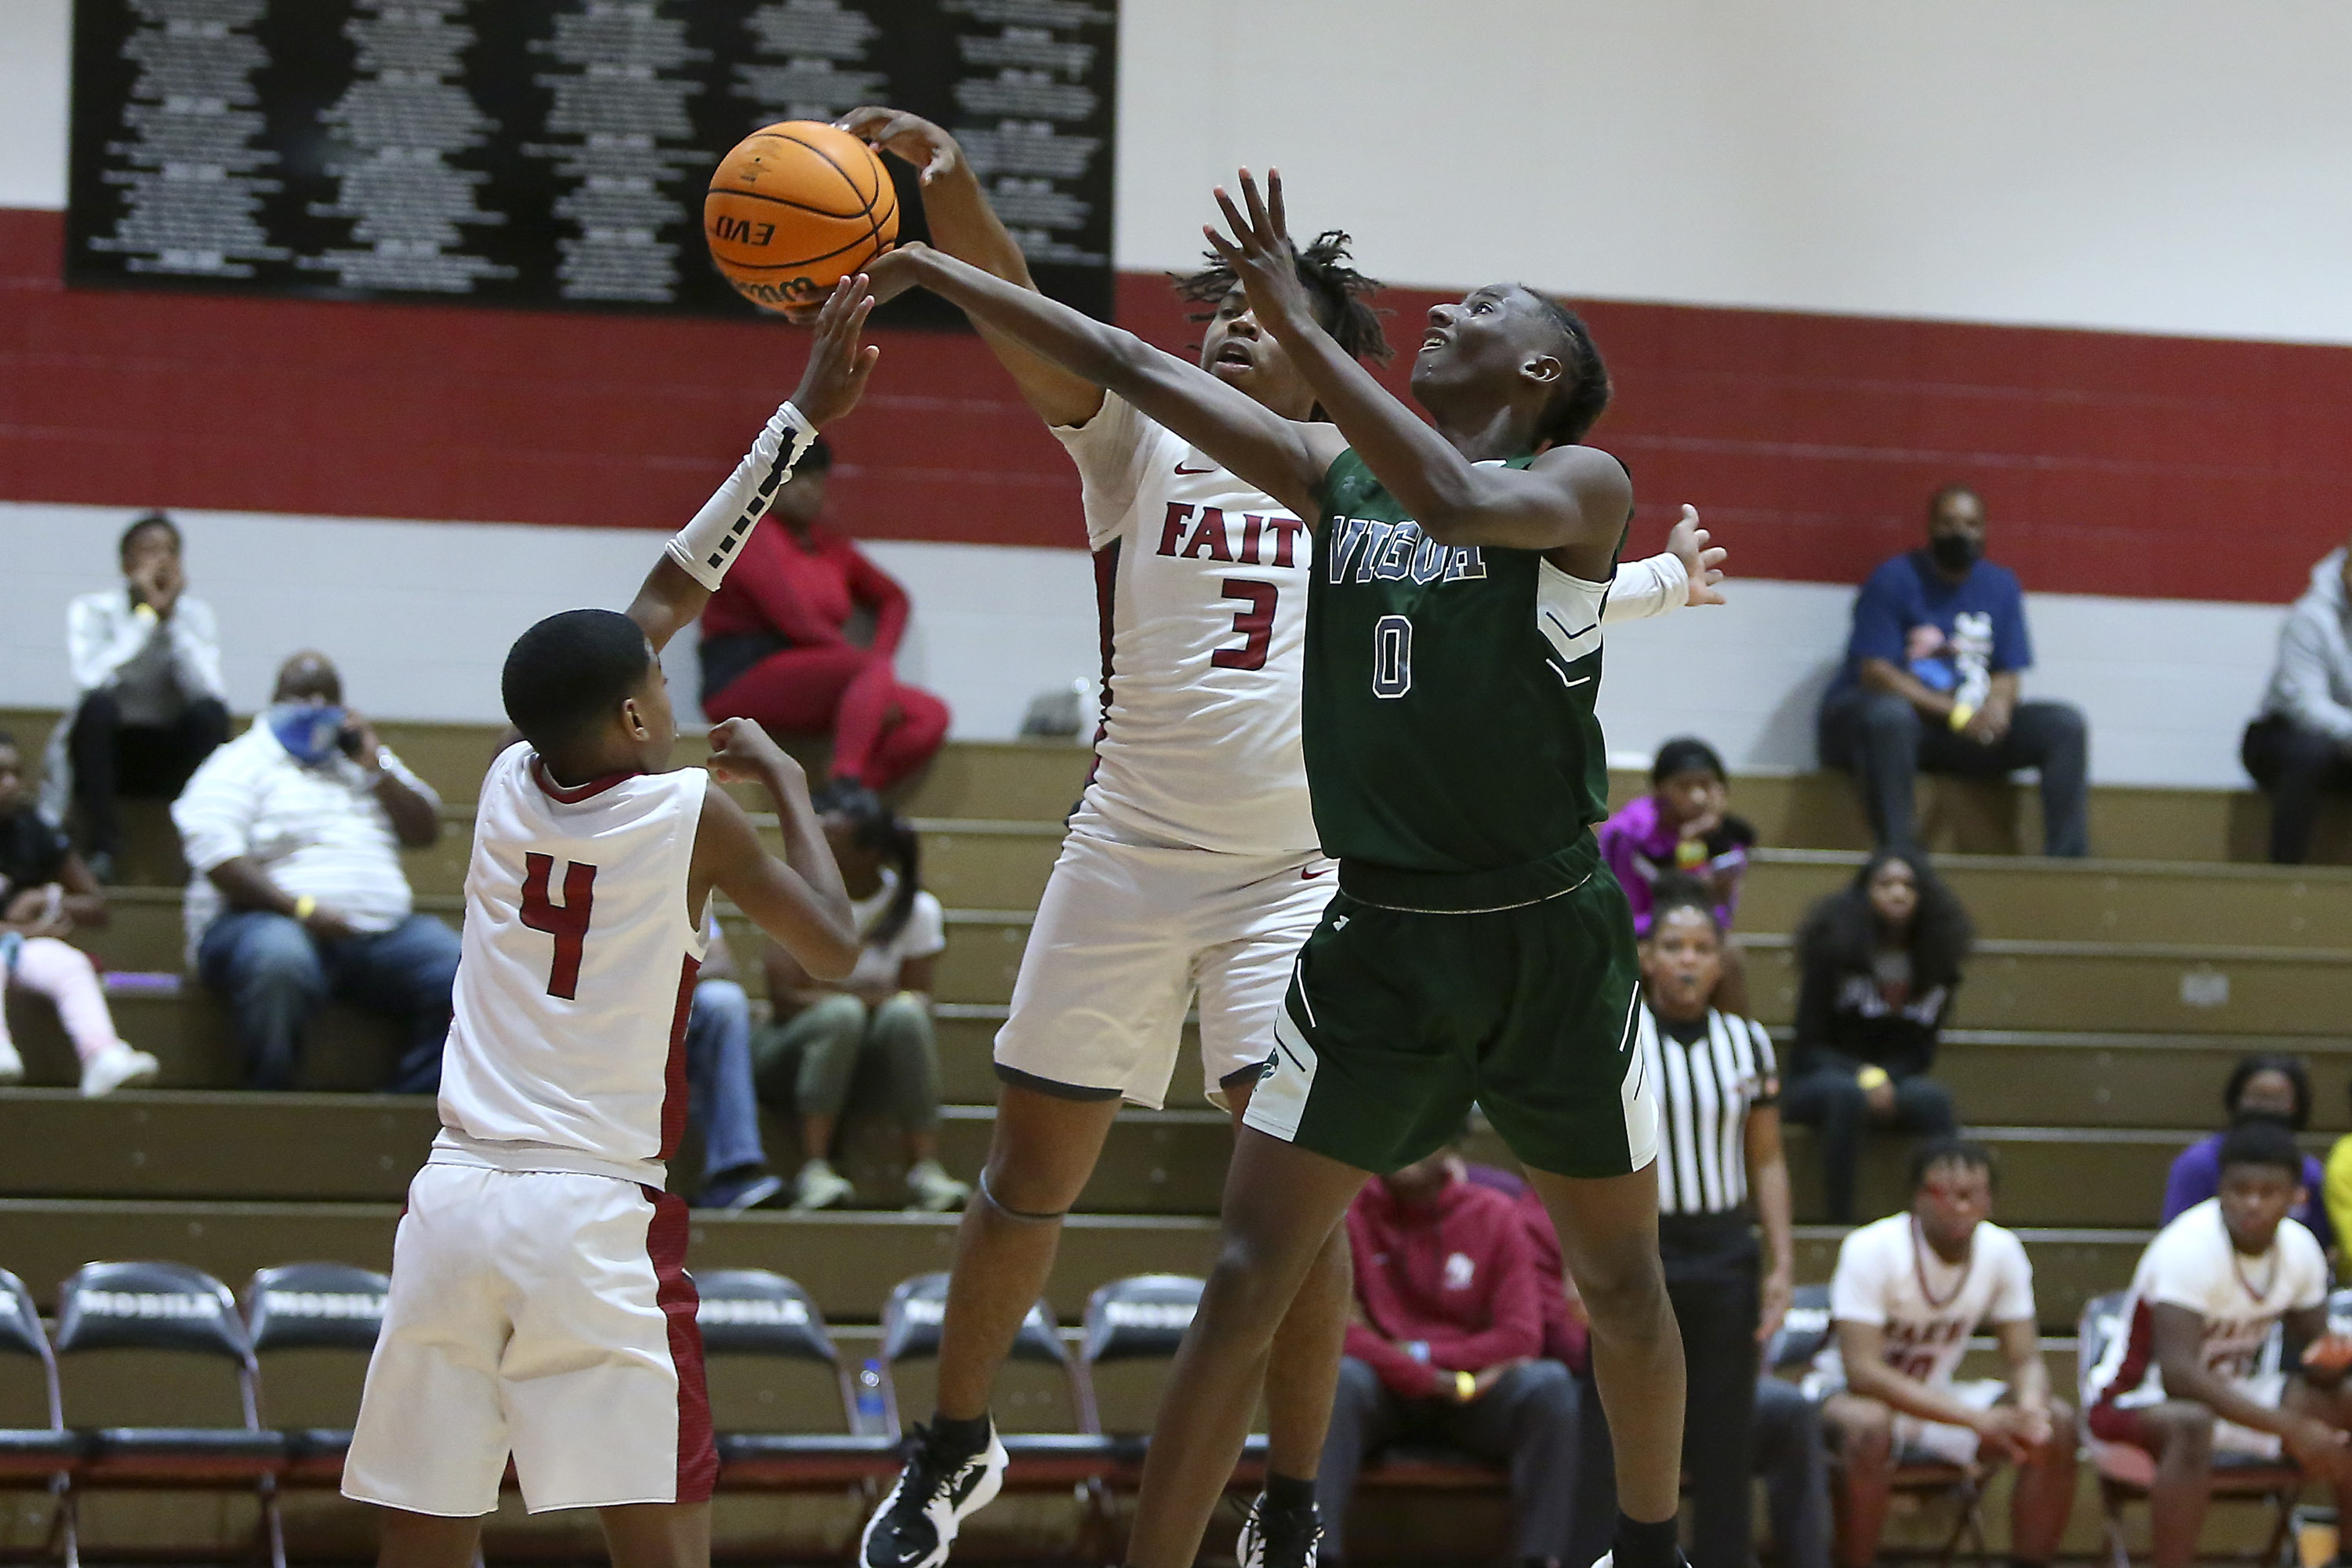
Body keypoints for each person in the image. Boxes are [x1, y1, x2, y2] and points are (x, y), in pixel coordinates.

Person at [835, 114, 1720, 1568]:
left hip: (1411, 905)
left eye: (1484, 312)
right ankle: (997, 1459)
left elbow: (1491, 550)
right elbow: (1109, 358)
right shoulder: (1261, 467)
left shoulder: (1487, 472)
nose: (1450, 313)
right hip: (1231, 877)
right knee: (1133, 1215)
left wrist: (1666, 588)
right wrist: (940, 243)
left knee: (1554, 1270)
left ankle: (1460, 1516)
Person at [338, 277, 873, 1568]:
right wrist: (796, 788)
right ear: (636, 719)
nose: (671, 672)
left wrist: (799, 414)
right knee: (660, 1547)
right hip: (591, 1217)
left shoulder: (508, 777)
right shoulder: (695, 814)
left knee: (426, 1535)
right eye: (658, 680)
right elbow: (838, 950)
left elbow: (659, 592)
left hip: (455, 1200)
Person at [1566, 877, 1795, 1568]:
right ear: (1647, 956)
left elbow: (1769, 1160)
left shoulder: (1749, 1044)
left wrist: (1782, 1262)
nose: (1688, 960)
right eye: (1674, 946)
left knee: (1727, 1432)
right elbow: (1578, 1154)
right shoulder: (1618, 1036)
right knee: (1610, 1421)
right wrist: (1577, 1263)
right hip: (1639, 1248)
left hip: (1727, 1252)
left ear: (1722, 961)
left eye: (1701, 947)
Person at [171, 652, 458, 1093]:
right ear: (275, 702)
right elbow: (218, 858)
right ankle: (271, 1101)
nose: (316, 705)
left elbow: (424, 831)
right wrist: (303, 910)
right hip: (264, 924)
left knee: (459, 968)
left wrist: (374, 765)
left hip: (376, 936)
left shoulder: (363, 761)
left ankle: (402, 1103)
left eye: (329, 696)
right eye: (302, 695)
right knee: (280, 959)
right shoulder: (238, 762)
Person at [2085, 1120, 2352, 1568]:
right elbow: (2180, 1377)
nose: (2251, 1203)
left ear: (2296, 1197)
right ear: (2219, 1189)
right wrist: (2291, 1427)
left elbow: (2316, 1353)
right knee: (2192, 1424)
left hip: (2228, 1395)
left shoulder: (2300, 1249)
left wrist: (2334, 1359)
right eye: (2239, 1190)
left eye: (2268, 1192)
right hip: (2133, 1402)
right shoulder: (2188, 1247)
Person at [1813, 1139, 2077, 1568]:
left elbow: (2025, 1358)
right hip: (1843, 1397)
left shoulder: (2002, 1250)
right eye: (1948, 1194)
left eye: (1974, 1195)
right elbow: (1863, 1372)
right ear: (1919, 1196)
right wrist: (1975, 1419)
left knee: (2058, 1423)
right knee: (1870, 1426)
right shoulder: (1872, 1248)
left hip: (1934, 1397)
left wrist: (2029, 1407)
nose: (1961, 1207)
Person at [1316, 1140, 1580, 1568]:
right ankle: (1316, 1553)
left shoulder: (1494, 1213)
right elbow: (1337, 1332)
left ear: (1452, 1144)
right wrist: (1430, 1378)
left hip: (1476, 1398)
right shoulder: (1347, 1209)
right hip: (1387, 1393)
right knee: (1338, 1378)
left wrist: (1423, 1352)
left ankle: (1539, 1559)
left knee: (1549, 1386)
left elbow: (1520, 1338)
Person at [1817, 485, 2089, 858]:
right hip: (1886, 728)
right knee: (1890, 717)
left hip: (1957, 731)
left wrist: (1997, 707)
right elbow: (1876, 673)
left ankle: (2067, 864)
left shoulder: (2001, 585)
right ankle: (1899, 861)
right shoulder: (1893, 579)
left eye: (1971, 524)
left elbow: (2009, 669)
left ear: (1985, 531)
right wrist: (1959, 714)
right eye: (1949, 523)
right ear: (1929, 528)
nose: (1961, 533)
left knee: (2064, 724)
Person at [696, 435, 949, 806]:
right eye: (798, 480)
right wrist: (872, 673)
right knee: (868, 669)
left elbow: (894, 598)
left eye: (817, 480)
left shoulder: (829, 545)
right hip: (743, 677)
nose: (810, 491)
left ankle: (845, 796)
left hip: (815, 679)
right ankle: (845, 775)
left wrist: (877, 674)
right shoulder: (748, 536)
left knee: (930, 715)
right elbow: (794, 620)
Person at [751, 795, 966, 1214]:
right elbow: (785, 998)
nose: (815, 848)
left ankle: (926, 1169)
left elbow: (917, 997)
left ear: (869, 854)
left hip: (866, 1058)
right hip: (787, 1054)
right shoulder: (796, 896)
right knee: (841, 1015)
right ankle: (813, 1168)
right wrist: (866, 996)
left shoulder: (916, 909)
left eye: (831, 840)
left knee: (906, 1015)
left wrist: (844, 994)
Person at [1780, 848, 1970, 1223]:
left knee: (1935, 1101)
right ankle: (1840, 1221)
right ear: (1864, 893)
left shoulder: (1936, 965)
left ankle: (1943, 1217)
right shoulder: (1832, 953)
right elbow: (1809, 1045)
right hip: (1822, 1078)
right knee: (1846, 1096)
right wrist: (1866, 1077)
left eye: (1908, 885)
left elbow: (1921, 1053)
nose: (1898, 893)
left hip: (1894, 1079)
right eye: (1886, 884)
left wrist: (1884, 1079)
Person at [45, 511, 230, 882]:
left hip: (168, 755)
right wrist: (146, 618)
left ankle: (205, 854)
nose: (161, 562)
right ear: (127, 564)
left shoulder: (195, 616)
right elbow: (92, 680)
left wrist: (171, 622)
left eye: (170, 553)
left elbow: (210, 690)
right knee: (97, 707)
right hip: (107, 755)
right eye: (150, 552)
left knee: (210, 715)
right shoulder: (91, 610)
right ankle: (103, 851)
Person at [0, 731, 160, 1095]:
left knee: (70, 964)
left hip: (23, 945)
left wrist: (49, 898)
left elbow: (96, 906)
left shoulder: (32, 828)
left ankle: (101, 1055)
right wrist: (25, 930)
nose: (10, 784)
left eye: (16, 773)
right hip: (16, 939)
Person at [1598, 738, 1755, 1014]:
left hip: (1690, 936)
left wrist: (1695, 844)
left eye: (1706, 786)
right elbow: (1622, 914)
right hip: (1637, 936)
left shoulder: (1727, 838)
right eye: (1684, 787)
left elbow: (1719, 918)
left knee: (1728, 956)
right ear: (1660, 790)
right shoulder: (1629, 834)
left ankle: (1732, 1047)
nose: (1698, 797)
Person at [2242, 536, 2352, 864]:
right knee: (2311, 752)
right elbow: (2308, 709)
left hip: (2343, 746)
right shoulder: (2309, 619)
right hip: (2279, 738)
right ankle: (2284, 874)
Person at [2161, 1054, 2331, 1250]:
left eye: (2279, 1099)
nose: (2267, 1109)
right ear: (2236, 1101)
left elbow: (2320, 1244)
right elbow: (2175, 1238)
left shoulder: (2310, 1172)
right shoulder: (2198, 1163)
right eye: (2258, 1097)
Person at [684, 920, 785, 1212]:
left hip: (677, 1014)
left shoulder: (679, 885)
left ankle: (732, 1174)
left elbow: (721, 965)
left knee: (724, 1000)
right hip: (615, 1016)